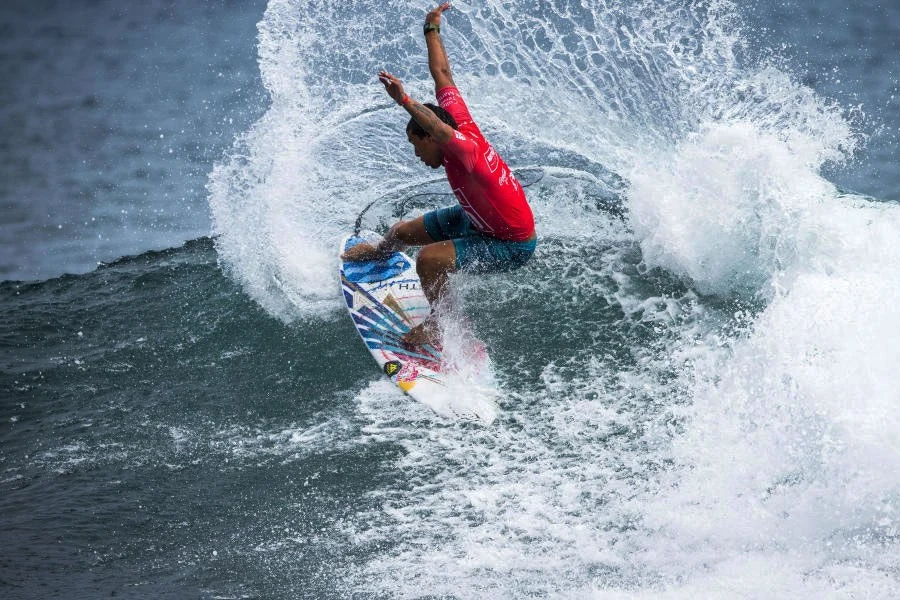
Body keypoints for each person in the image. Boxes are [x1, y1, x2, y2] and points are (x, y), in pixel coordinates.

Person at [342, 2, 537, 346]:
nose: (417, 154)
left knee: (429, 259)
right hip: (477, 219)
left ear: (431, 137)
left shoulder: (465, 149)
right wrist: (431, 28)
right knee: (400, 232)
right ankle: (380, 252)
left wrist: (404, 100)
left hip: (511, 243)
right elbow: (442, 74)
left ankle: (438, 326)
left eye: (416, 144)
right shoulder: (458, 119)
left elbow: (438, 128)